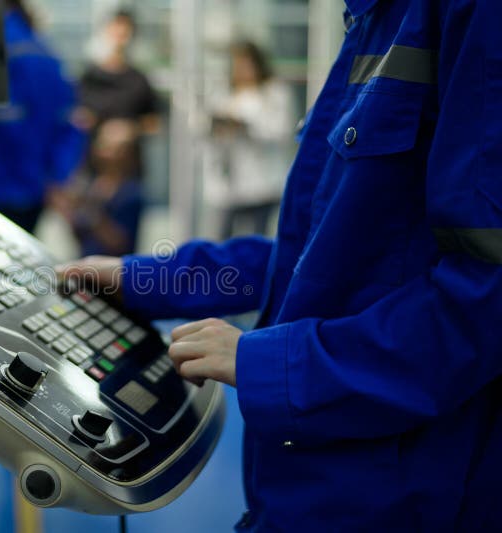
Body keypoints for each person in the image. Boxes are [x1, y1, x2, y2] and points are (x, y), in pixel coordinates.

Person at [59, 0, 502, 530]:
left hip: (397, 498)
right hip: (311, 486)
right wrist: (152, 277)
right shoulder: (373, 21)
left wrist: (275, 365)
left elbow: (486, 301)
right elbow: (315, 258)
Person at [0, 0, 85, 233]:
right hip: (35, 190)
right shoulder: (47, 52)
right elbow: (69, 125)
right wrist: (56, 177)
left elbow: (8, 125)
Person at [205, 41, 295, 239]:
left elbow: (281, 132)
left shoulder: (274, 92)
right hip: (229, 184)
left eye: (247, 63)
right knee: (222, 243)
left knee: (255, 241)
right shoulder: (225, 93)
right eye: (238, 64)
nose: (242, 70)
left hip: (263, 183)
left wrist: (247, 127)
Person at [77, 9, 160, 179]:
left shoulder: (139, 80)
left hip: (128, 173)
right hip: (95, 171)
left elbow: (153, 123)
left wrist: (129, 130)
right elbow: (75, 117)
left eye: (125, 33)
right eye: (116, 32)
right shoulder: (89, 78)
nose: (120, 39)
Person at [52, 119, 144, 257]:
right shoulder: (91, 184)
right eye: (104, 144)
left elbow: (118, 243)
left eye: (119, 148)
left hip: (113, 272)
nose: (108, 153)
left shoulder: (131, 192)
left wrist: (89, 212)